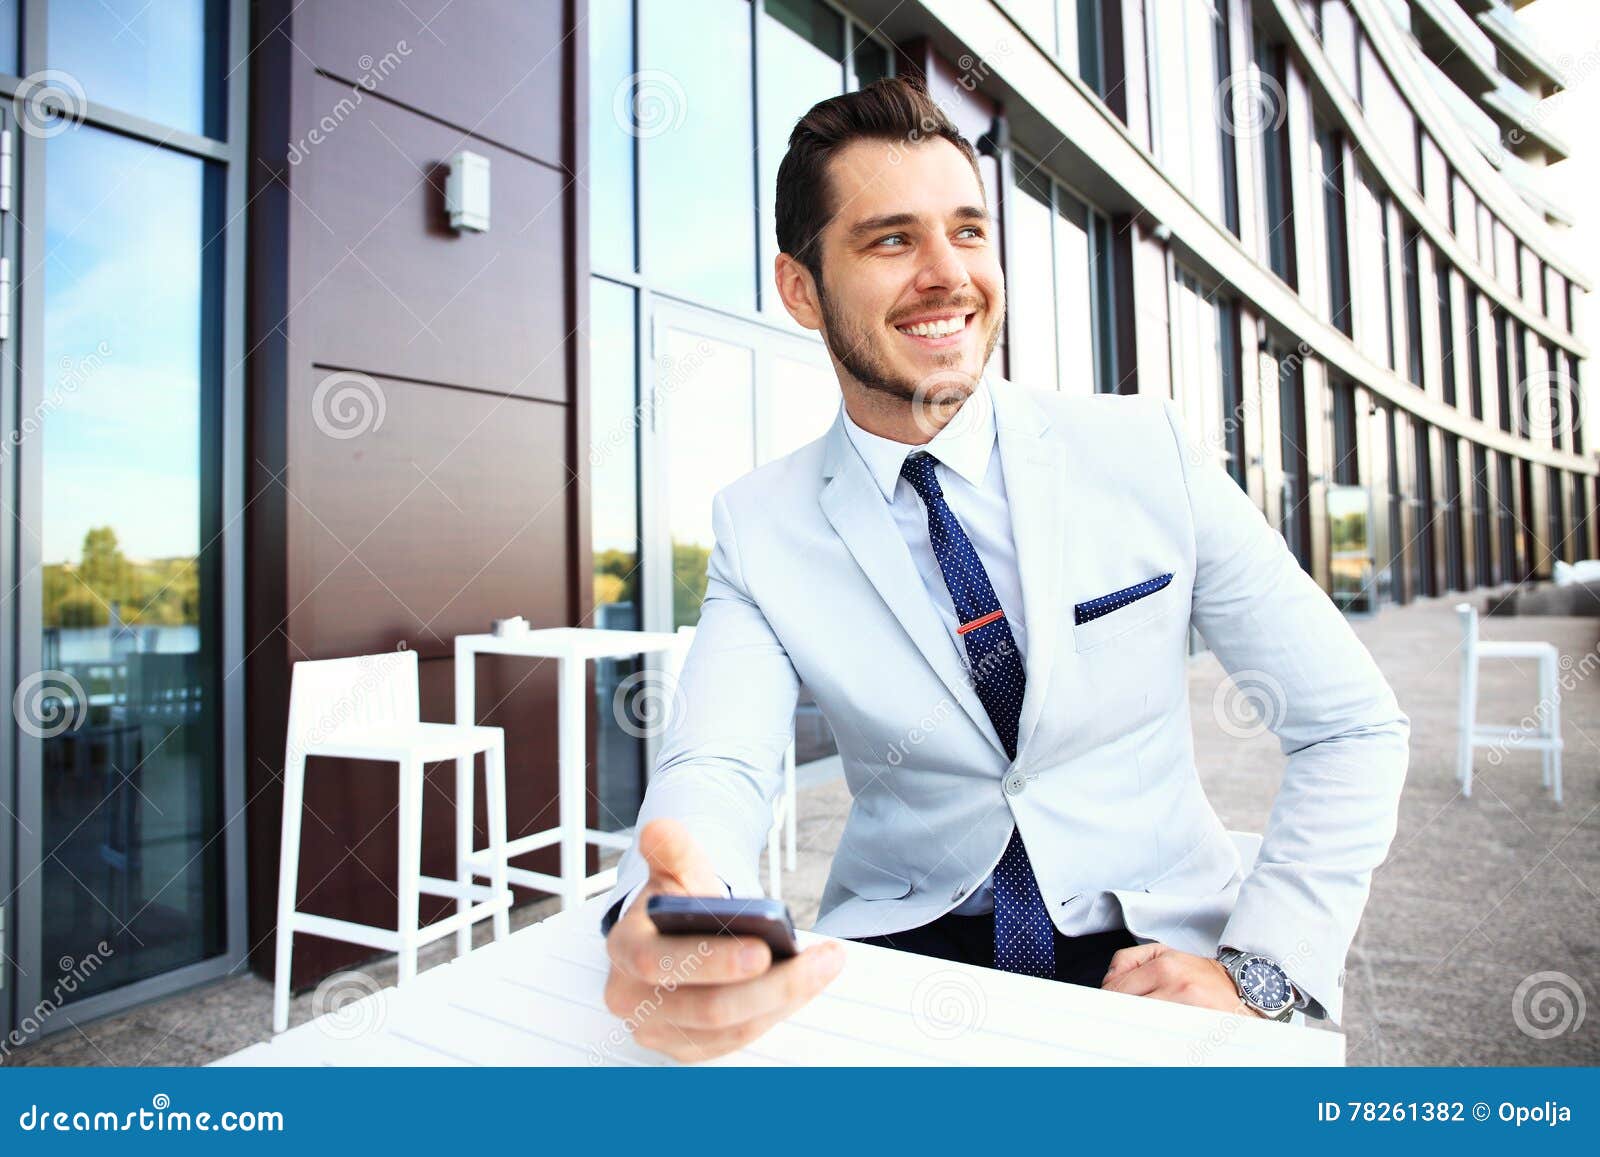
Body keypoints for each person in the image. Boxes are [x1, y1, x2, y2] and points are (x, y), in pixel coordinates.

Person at [599, 75, 1409, 1063]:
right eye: (891, 238)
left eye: (969, 232)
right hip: (904, 955)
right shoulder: (761, 524)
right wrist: (676, 905)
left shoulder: (1145, 450)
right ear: (801, 288)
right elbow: (716, 765)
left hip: (1161, 954)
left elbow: (1349, 725)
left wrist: (1263, 969)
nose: (948, 273)